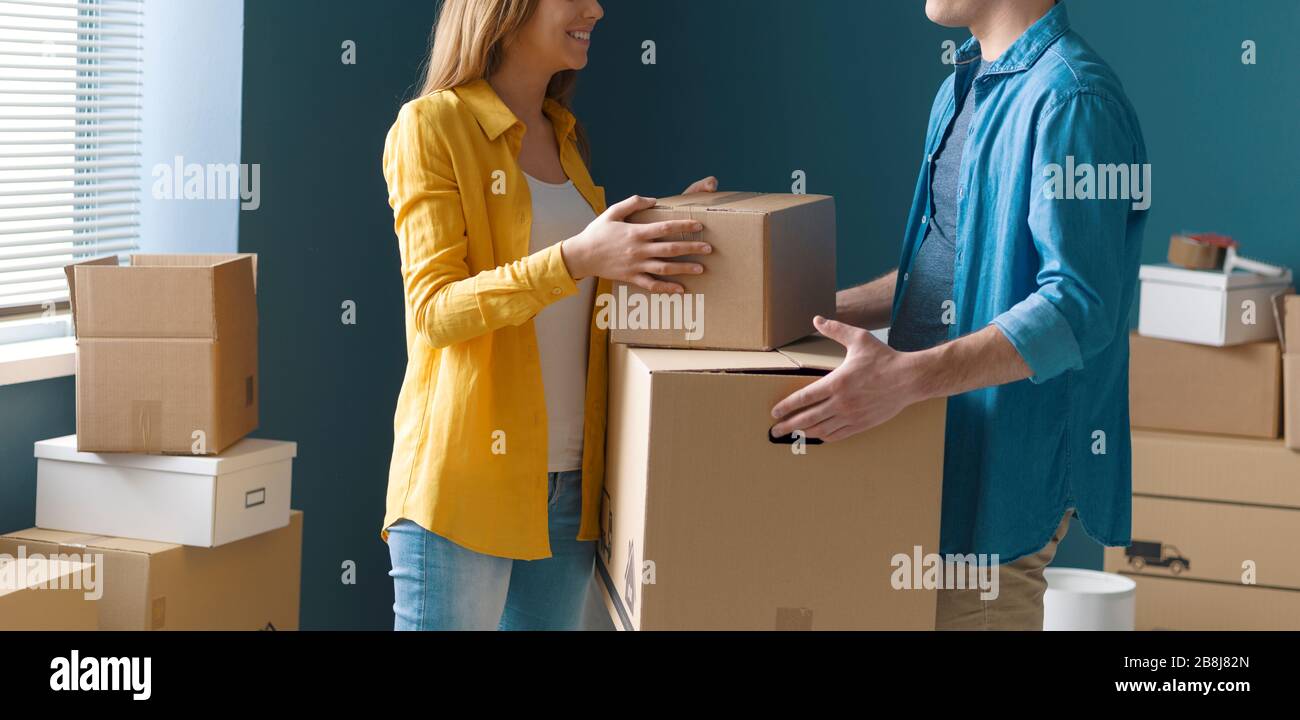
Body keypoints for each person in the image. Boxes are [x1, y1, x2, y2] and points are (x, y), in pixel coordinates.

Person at [771, 0, 1147, 630]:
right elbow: (954, 265)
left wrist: (905, 378)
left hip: (1005, 470)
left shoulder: (1074, 98)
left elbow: (1079, 307)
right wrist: (803, 313)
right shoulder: (962, 86)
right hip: (933, 454)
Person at [381, 0, 717, 630]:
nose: (597, 9)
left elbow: (574, 293)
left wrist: (657, 231)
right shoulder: (431, 125)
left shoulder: (562, 134)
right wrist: (577, 256)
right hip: (466, 480)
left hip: (570, 485)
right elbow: (434, 312)